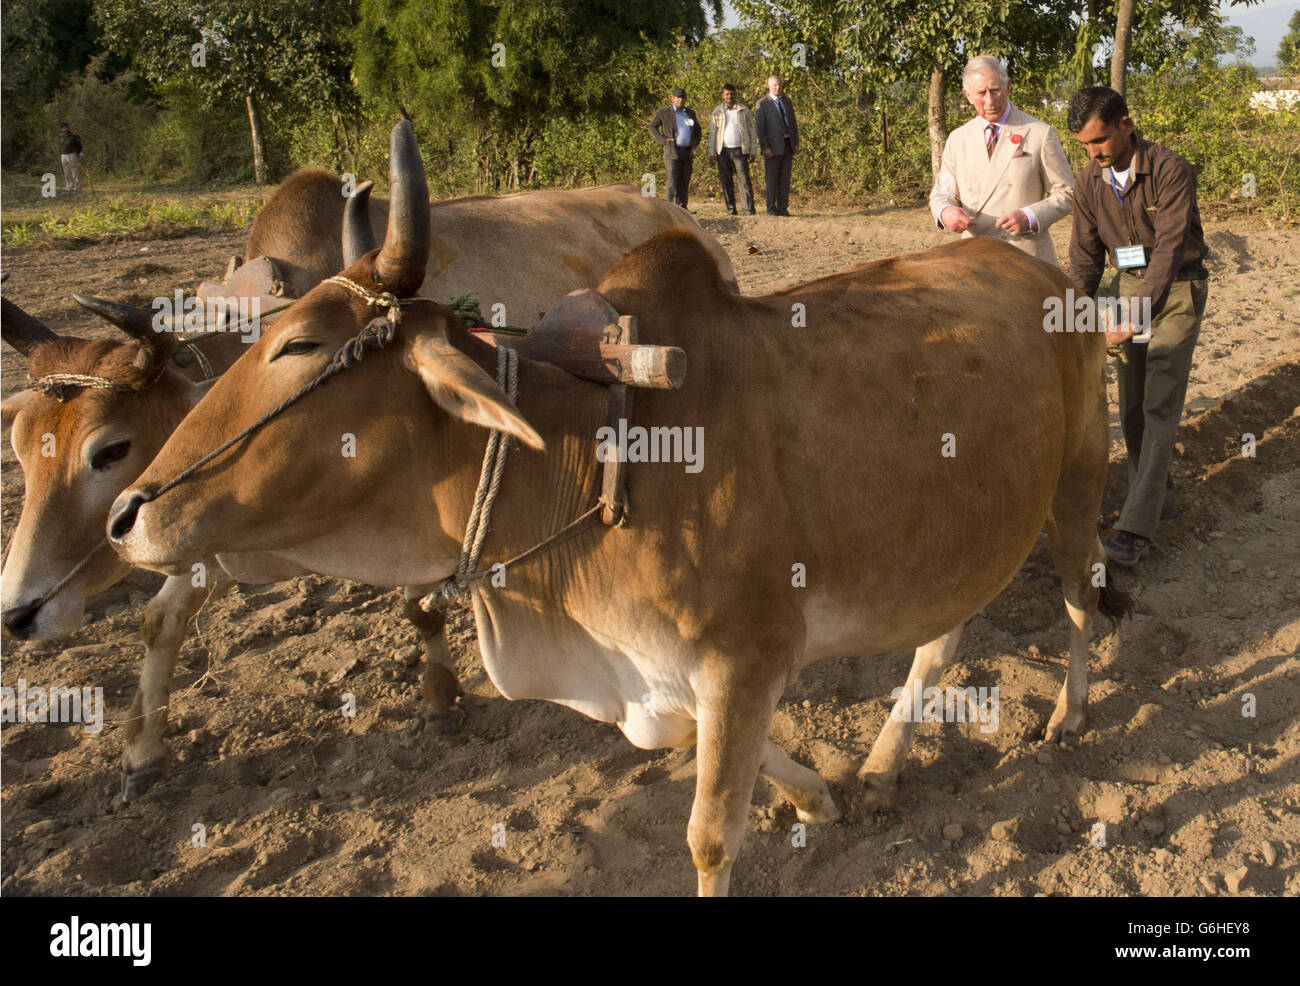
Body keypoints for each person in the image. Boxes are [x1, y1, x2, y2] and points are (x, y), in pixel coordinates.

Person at [1067, 85, 1209, 569]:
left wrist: (1133, 318)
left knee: (1159, 405)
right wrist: (1073, 316)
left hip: (1178, 291)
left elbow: (1169, 252)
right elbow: (1085, 259)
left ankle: (1134, 527)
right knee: (1130, 409)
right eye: (1085, 145)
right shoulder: (1089, 181)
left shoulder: (1171, 170)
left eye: (1101, 141)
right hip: (1128, 288)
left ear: (1125, 124)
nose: (1094, 153)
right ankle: (1158, 496)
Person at [929, 55, 1074, 264]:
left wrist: (1031, 216)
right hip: (975, 258)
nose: (990, 100)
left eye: (995, 90)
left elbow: (1067, 192)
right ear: (967, 95)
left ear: (1007, 87)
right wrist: (945, 212)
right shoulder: (958, 139)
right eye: (981, 93)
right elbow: (941, 194)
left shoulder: (1039, 133)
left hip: (1026, 258)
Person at [648, 87, 701, 209]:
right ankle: (670, 210)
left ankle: (682, 209)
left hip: (687, 152)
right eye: (677, 98)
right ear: (672, 98)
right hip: (672, 151)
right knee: (672, 181)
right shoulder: (664, 112)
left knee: (684, 181)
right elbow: (652, 126)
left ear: (686, 99)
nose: (680, 100)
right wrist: (662, 139)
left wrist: (695, 142)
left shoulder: (690, 113)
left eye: (682, 98)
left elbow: (698, 129)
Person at [708, 84, 758, 215]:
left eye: (732, 94)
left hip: (740, 150)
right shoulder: (717, 111)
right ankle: (731, 210)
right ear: (722, 96)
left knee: (744, 181)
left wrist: (752, 150)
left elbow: (752, 131)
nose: (729, 96)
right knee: (726, 182)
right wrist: (712, 153)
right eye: (727, 94)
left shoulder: (743, 110)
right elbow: (713, 133)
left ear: (735, 95)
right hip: (722, 151)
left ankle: (748, 210)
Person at [755, 74, 798, 216]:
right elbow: (760, 129)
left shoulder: (787, 101)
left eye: (779, 85)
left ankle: (783, 207)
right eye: (774, 85)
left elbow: (793, 124)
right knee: (772, 178)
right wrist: (765, 147)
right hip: (772, 147)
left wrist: (795, 142)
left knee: (785, 179)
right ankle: (771, 207)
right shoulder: (762, 103)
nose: (777, 87)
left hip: (788, 145)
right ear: (769, 86)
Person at [58, 123, 83, 192]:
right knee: (66, 171)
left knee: (74, 170)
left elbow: (79, 145)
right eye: (63, 128)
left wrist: (79, 153)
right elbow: (60, 147)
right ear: (61, 129)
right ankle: (69, 186)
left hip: (72, 154)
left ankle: (77, 186)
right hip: (63, 155)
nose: (65, 129)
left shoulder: (73, 136)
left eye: (66, 127)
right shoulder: (61, 137)